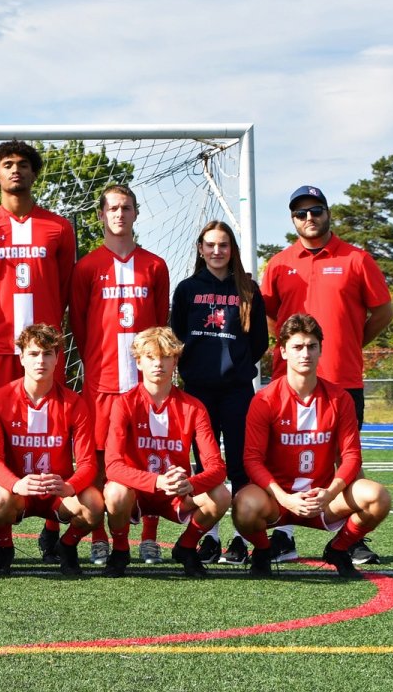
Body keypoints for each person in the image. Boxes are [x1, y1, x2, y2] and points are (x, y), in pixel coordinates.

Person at [261, 185, 392, 564]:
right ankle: (283, 534)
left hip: (343, 379)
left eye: (315, 210)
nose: (309, 218)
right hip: (289, 382)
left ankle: (350, 538)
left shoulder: (357, 259)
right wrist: (289, 350)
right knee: (282, 457)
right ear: (292, 219)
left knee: (347, 459)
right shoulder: (280, 263)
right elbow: (270, 316)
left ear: (327, 213)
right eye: (300, 213)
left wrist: (351, 342)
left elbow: (383, 312)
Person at [0, 141, 76, 562]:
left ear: (34, 173)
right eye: (7, 165)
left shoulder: (59, 228)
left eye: (23, 165)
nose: (16, 171)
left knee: (56, 435)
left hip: (44, 351)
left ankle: (53, 524)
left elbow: (63, 288)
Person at [231, 313, 391, 578]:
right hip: (278, 501)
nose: (305, 354)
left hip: (324, 499)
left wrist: (329, 493)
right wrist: (284, 498)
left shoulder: (339, 398)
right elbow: (252, 459)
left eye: (311, 346)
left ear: (320, 350)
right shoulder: (265, 400)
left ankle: (339, 549)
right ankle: (262, 551)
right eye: (297, 347)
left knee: (378, 496)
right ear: (283, 351)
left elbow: (352, 457)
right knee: (243, 505)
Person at [68, 184, 170, 566]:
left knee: (150, 457)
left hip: (146, 385)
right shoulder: (86, 267)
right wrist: (97, 363)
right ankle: (98, 537)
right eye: (112, 208)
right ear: (101, 215)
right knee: (96, 462)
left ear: (136, 213)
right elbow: (79, 325)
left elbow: (160, 323)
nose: (119, 214)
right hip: (103, 383)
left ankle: (149, 538)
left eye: (126, 208)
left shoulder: (155, 265)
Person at [170, 220, 269, 564]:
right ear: (200, 249)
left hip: (237, 391)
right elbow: (177, 336)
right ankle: (209, 537)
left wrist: (234, 365)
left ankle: (241, 539)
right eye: (210, 245)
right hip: (198, 392)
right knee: (205, 467)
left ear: (232, 249)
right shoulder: (186, 289)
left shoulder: (248, 290)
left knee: (241, 465)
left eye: (223, 245)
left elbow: (259, 341)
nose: (216, 251)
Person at [101, 327, 230, 578]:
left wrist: (190, 484)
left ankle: (187, 546)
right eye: (150, 357)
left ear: (175, 360)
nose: (158, 363)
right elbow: (113, 466)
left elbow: (217, 468)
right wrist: (156, 481)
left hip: (176, 495)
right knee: (115, 492)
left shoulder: (193, 407)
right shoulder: (124, 404)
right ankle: (120, 549)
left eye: (165, 357)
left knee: (221, 495)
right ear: (139, 362)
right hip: (137, 493)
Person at [0, 324, 101, 577]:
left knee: (94, 503)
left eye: (48, 354)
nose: (41, 361)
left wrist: (70, 486)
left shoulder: (73, 402)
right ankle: (4, 548)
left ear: (57, 359)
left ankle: (67, 546)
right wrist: (16, 484)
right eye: (34, 354)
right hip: (19, 493)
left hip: (57, 492)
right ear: (21, 357)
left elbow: (88, 463)